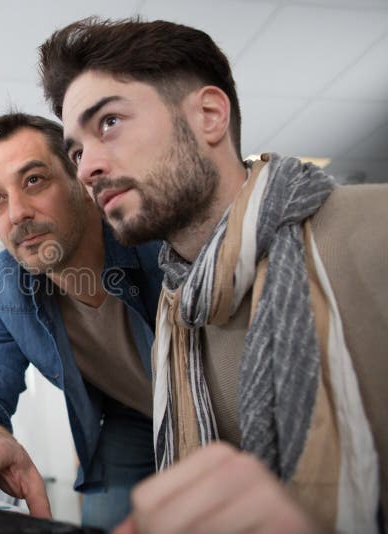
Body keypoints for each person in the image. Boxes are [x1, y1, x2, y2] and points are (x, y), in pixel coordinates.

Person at [39, 17, 387, 533]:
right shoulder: (175, 316)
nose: (86, 167)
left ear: (208, 115)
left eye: (108, 122)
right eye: (76, 150)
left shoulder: (374, 229)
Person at [0, 112, 164, 530]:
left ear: (82, 180)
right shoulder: (3, 284)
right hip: (134, 416)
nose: (16, 213)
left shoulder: (153, 238)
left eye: (34, 180)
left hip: (210, 399)